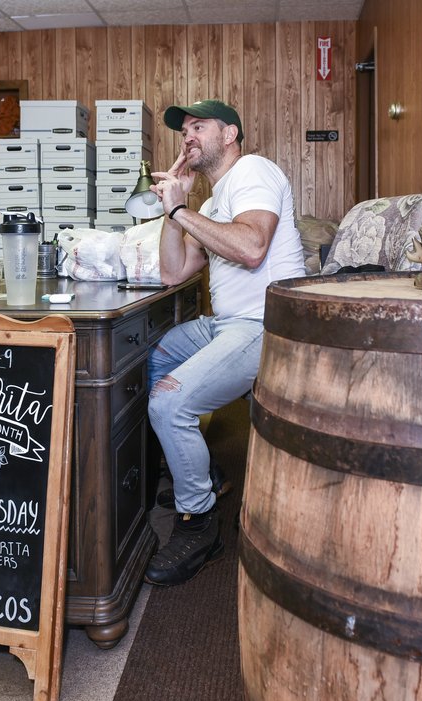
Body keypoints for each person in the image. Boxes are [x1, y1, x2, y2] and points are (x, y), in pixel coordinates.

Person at [144, 99, 305, 586]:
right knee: (157, 354)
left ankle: (198, 522)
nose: (188, 136)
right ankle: (202, 475)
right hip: (227, 323)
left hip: (266, 324)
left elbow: (252, 247)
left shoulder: (253, 170)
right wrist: (174, 209)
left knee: (168, 403)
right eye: (184, 131)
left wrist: (180, 208)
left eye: (199, 126)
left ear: (230, 134)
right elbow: (173, 271)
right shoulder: (213, 203)